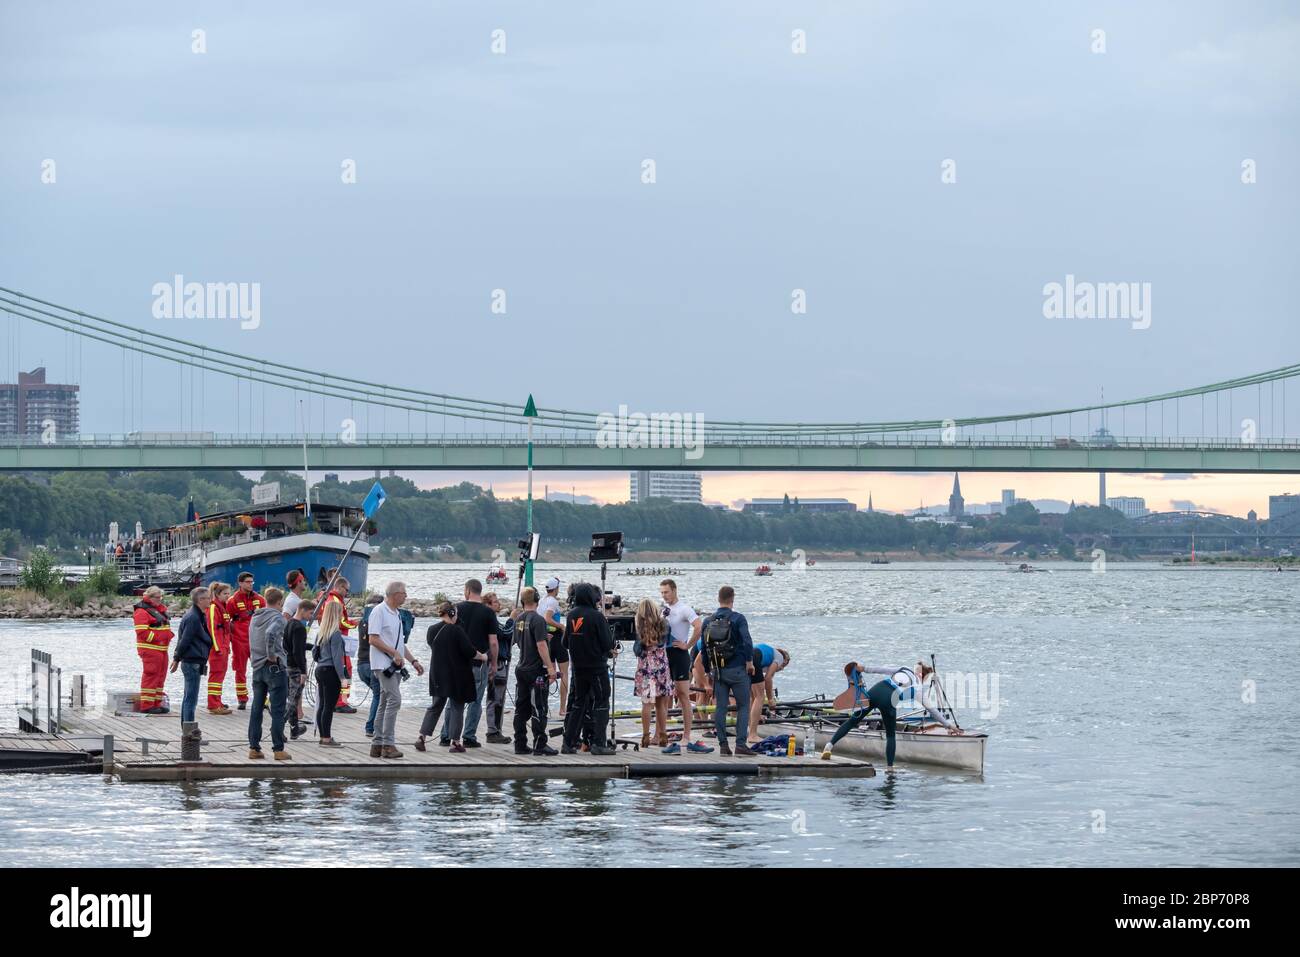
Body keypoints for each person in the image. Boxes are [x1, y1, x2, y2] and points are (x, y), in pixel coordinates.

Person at [821, 662, 959, 767]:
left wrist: (864, 668)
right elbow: (932, 711)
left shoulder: (904, 669)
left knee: (853, 721)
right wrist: (948, 725)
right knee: (890, 735)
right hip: (890, 700)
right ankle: (890, 768)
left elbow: (881, 669)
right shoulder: (917, 689)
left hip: (877, 689)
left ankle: (829, 745)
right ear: (923, 676)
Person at [416, 602, 486, 753]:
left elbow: (433, 646)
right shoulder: (457, 631)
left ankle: (421, 737)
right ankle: (455, 742)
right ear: (452, 613)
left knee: (435, 707)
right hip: (456, 674)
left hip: (437, 673)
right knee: (457, 708)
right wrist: (483, 657)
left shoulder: (432, 630)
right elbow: (469, 651)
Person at [366, 581, 423, 759]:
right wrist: (393, 653)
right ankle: (388, 744)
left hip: (394, 665)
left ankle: (377, 744)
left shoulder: (396, 614)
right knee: (394, 700)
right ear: (394, 594)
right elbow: (373, 639)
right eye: (403, 593)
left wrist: (413, 661)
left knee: (384, 702)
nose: (406, 596)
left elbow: (400, 643)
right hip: (383, 664)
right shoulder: (379, 611)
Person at [699, 585, 755, 756]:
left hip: (718, 671)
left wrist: (709, 670)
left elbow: (704, 648)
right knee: (744, 706)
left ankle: (723, 745)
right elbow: (747, 641)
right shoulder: (738, 619)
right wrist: (749, 661)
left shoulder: (708, 621)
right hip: (738, 669)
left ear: (718, 599)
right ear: (733, 598)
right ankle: (740, 744)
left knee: (720, 708)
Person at [561, 583, 616, 755]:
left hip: (578, 667)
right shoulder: (596, 616)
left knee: (579, 703)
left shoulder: (571, 615)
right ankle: (599, 743)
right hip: (596, 667)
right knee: (601, 702)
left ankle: (568, 743)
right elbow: (608, 643)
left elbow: (565, 643)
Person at [659, 578, 711, 754]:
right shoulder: (663, 610)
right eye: (661, 593)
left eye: (666, 592)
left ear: (674, 590)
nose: (664, 595)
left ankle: (687, 736)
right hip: (663, 655)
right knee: (663, 696)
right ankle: (661, 734)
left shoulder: (684, 608)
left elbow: (699, 626)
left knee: (683, 695)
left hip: (679, 654)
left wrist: (688, 646)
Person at [512, 587, 558, 756]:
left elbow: (518, 641)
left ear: (523, 602)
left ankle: (520, 743)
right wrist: (551, 668)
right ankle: (540, 744)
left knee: (521, 708)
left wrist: (541, 638)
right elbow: (540, 645)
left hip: (521, 667)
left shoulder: (519, 619)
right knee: (539, 707)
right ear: (537, 600)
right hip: (535, 669)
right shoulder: (538, 620)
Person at [247, 587, 291, 760]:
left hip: (257, 667)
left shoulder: (255, 617)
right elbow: (270, 634)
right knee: (278, 709)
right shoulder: (278, 618)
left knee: (257, 708)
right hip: (274, 668)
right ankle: (278, 749)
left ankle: (254, 747)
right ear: (280, 602)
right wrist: (272, 655)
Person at [455, 578, 499, 748]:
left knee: (455, 700)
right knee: (475, 700)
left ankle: (447, 734)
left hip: (458, 662)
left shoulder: (457, 609)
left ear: (467, 591)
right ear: (480, 592)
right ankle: (469, 735)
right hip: (478, 663)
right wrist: (494, 664)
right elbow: (493, 642)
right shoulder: (488, 613)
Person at [632, 598, 673, 749]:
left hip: (645, 668)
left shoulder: (639, 627)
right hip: (661, 665)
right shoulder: (664, 624)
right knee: (661, 704)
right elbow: (667, 641)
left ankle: (645, 736)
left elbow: (637, 650)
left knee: (647, 704)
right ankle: (662, 735)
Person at [170, 586, 211, 730]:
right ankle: (189, 730)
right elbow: (185, 640)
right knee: (191, 698)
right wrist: (176, 658)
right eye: (208, 597)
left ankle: (187, 727)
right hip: (191, 661)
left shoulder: (198, 615)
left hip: (193, 661)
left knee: (189, 696)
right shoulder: (193, 617)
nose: (210, 600)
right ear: (200, 600)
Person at [315, 575, 359, 713]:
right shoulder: (335, 601)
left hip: (328, 637)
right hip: (338, 638)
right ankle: (341, 701)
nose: (347, 593)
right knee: (346, 670)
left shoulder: (329, 598)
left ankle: (338, 700)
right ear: (339, 587)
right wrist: (353, 623)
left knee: (342, 669)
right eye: (346, 590)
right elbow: (341, 621)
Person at [224, 572, 265, 709]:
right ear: (240, 583)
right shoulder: (232, 601)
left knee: (261, 669)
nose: (250, 584)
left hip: (257, 639)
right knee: (240, 670)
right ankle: (242, 699)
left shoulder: (260, 599)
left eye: (252, 582)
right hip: (239, 639)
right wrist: (229, 639)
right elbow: (226, 621)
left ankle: (262, 699)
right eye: (247, 582)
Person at [132, 586, 173, 714]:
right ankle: (147, 705)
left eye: (161, 597)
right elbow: (142, 632)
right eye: (157, 597)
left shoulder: (159, 610)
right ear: (149, 597)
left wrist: (167, 636)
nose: (159, 600)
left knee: (160, 677)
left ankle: (156, 703)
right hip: (151, 650)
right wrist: (160, 638)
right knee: (151, 676)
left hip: (161, 649)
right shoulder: (141, 611)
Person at [313, 599, 347, 747]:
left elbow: (315, 653)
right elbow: (337, 658)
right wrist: (342, 677)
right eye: (340, 614)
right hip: (331, 671)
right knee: (329, 706)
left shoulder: (320, 633)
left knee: (322, 705)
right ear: (336, 615)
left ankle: (322, 736)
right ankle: (327, 738)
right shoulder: (336, 634)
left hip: (320, 669)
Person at [482, 592, 514, 744]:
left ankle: (495, 729)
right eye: (494, 602)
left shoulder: (491, 621)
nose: (498, 604)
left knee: (496, 697)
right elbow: (506, 633)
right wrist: (512, 620)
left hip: (497, 661)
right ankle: (493, 730)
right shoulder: (491, 622)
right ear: (487, 605)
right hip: (497, 663)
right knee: (495, 697)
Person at [746, 645, 791, 746]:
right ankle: (752, 735)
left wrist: (758, 715)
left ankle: (751, 728)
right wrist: (770, 700)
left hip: (746, 657)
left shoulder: (768, 655)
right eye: (783, 665)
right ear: (784, 660)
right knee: (760, 697)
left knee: (753, 697)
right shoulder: (779, 657)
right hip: (754, 657)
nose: (782, 668)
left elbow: (754, 697)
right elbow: (768, 678)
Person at [537, 577, 568, 719]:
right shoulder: (553, 601)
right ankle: (562, 708)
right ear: (556, 589)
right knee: (564, 674)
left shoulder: (542, 601)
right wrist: (562, 626)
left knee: (550, 675)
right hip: (556, 638)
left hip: (546, 639)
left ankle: (539, 702)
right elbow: (547, 618)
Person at [283, 597, 315, 739]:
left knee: (292, 698)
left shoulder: (289, 624)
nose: (310, 617)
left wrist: (313, 647)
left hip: (287, 664)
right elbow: (297, 651)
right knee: (293, 700)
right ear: (302, 610)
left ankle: (294, 729)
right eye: (310, 613)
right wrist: (303, 671)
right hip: (296, 668)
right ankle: (277, 727)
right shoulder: (300, 627)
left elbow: (292, 646)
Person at [355, 593, 383, 737]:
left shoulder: (362, 622)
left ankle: (376, 724)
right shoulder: (376, 622)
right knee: (379, 695)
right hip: (372, 664)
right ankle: (371, 726)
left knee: (379, 695)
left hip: (361, 664)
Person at [205, 582, 234, 714]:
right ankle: (213, 704)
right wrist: (218, 648)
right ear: (217, 594)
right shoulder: (213, 608)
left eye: (229, 593)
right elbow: (213, 629)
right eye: (225, 594)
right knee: (215, 676)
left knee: (220, 676)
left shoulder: (223, 607)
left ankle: (217, 701)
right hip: (217, 649)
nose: (228, 596)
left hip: (223, 646)